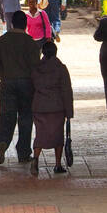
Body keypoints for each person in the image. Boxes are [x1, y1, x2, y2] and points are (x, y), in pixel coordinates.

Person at [0, 10, 40, 164]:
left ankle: (2, 143)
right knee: (26, 118)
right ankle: (23, 153)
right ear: (26, 24)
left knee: (6, 116)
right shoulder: (31, 43)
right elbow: (37, 67)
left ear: (12, 23)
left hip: (7, 83)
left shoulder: (1, 41)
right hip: (27, 84)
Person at [30, 40, 74, 176]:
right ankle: (57, 164)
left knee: (40, 134)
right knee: (57, 136)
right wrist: (69, 111)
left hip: (39, 106)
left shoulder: (36, 68)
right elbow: (66, 90)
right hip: (57, 107)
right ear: (55, 52)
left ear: (42, 53)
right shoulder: (61, 68)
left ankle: (35, 159)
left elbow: (31, 87)